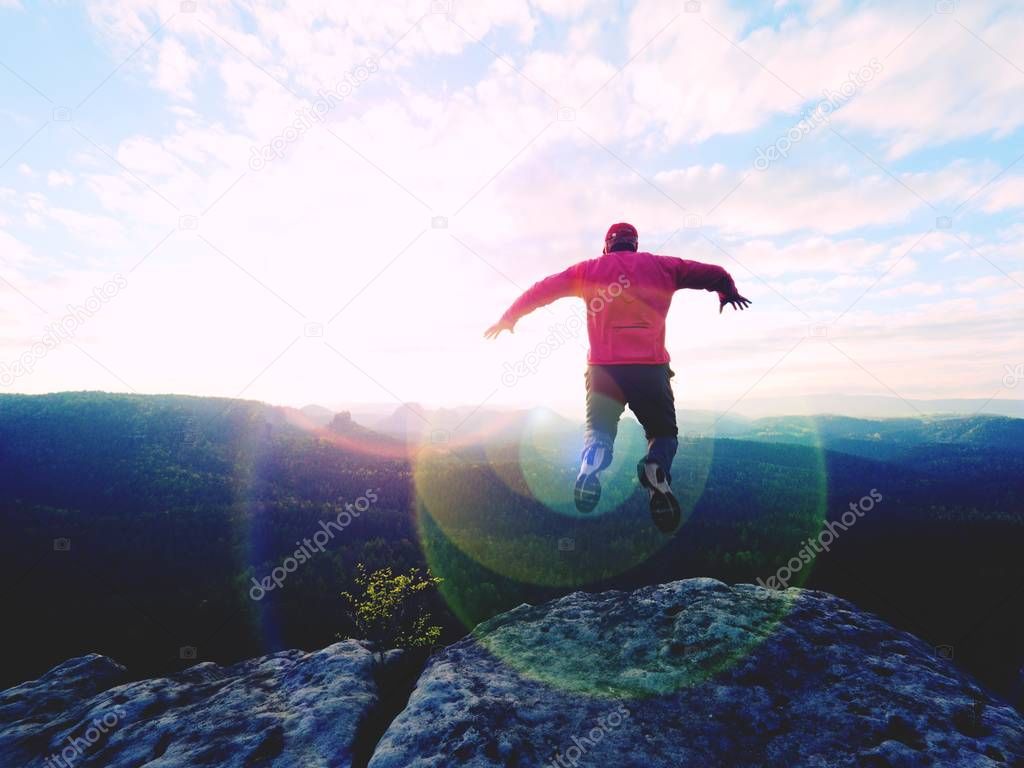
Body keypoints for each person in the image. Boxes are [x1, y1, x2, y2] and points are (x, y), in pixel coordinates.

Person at [484, 222, 750, 532]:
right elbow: (714, 272)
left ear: (607, 245)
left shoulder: (590, 270)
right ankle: (655, 468)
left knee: (599, 431)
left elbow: (543, 288)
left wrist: (510, 316)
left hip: (603, 371)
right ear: (635, 244)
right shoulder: (664, 267)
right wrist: (726, 292)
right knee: (663, 434)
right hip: (650, 371)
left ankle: (590, 462)